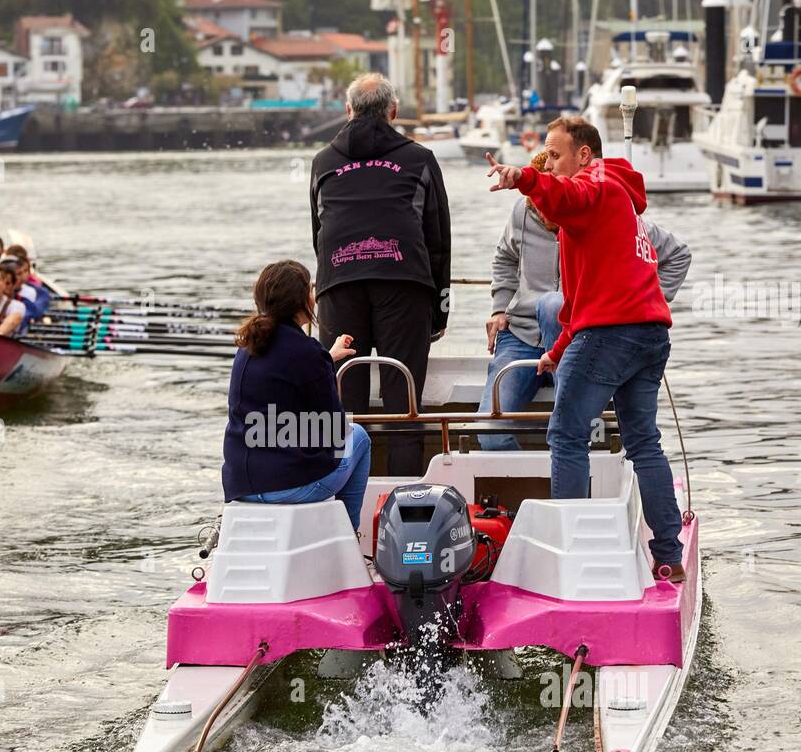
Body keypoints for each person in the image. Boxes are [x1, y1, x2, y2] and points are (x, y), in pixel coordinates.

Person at [485, 116, 687, 582]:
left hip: (611, 335)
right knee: (643, 441)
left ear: (584, 155)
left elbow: (565, 194)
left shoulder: (595, 184)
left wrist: (524, 177)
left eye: (555, 154)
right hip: (648, 332)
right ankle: (669, 555)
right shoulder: (615, 201)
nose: (549, 162)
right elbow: (577, 301)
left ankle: (568, 551)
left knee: (567, 436)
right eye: (545, 155)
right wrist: (556, 351)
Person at [480, 149, 692, 451]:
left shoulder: (605, 213)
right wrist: (500, 307)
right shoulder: (521, 214)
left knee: (553, 305)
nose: (545, 211)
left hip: (577, 336)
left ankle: (569, 448)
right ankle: (537, 488)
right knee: (489, 430)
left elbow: (678, 254)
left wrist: (643, 300)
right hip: (523, 336)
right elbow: (504, 258)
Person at [310, 72, 451, 476]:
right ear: (393, 111)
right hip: (404, 284)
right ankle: (406, 493)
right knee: (402, 398)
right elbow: (438, 240)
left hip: (339, 283)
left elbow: (318, 235)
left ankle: (339, 496)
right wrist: (439, 314)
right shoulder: (420, 159)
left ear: (348, 110)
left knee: (342, 402)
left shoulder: (323, 161)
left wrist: (325, 292)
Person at [222, 260, 370, 534]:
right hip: (289, 486)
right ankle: (349, 542)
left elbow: (282, 371)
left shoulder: (247, 347)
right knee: (359, 436)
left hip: (241, 484)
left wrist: (326, 359)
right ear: (302, 300)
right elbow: (334, 431)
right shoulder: (307, 353)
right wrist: (324, 365)